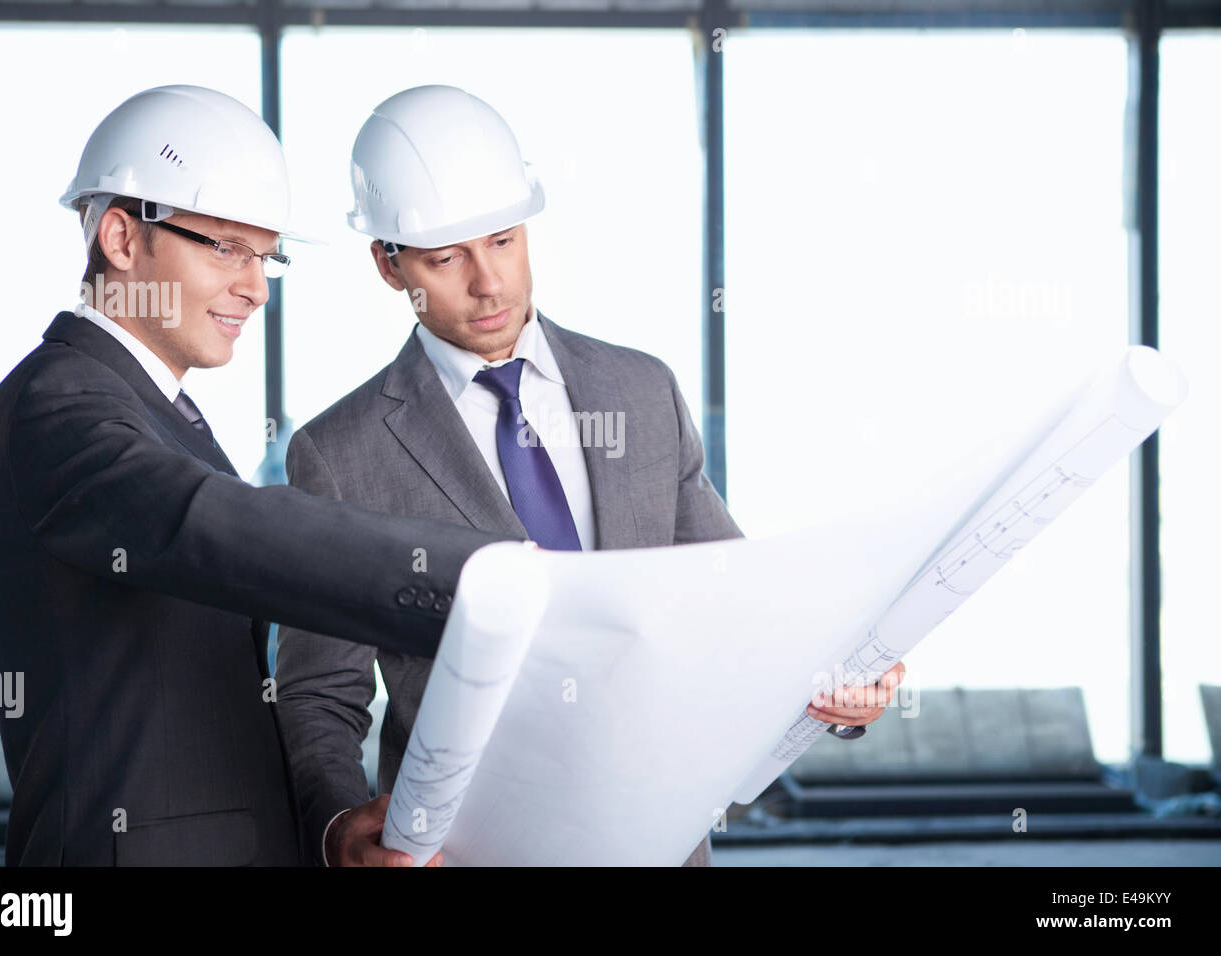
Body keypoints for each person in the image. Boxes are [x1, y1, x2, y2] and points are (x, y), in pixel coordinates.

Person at [274, 85, 902, 868]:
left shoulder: (641, 393)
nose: (488, 283)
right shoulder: (342, 453)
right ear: (388, 263)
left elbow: (734, 603)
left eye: (503, 241)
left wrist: (838, 680)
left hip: (660, 843)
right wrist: (340, 831)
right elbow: (317, 694)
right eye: (445, 259)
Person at [0, 85, 517, 867]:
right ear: (120, 237)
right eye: (225, 247)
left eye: (265, 256)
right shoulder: (59, 402)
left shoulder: (160, 418)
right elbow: (213, 526)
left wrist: (327, 833)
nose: (255, 286)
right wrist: (487, 579)